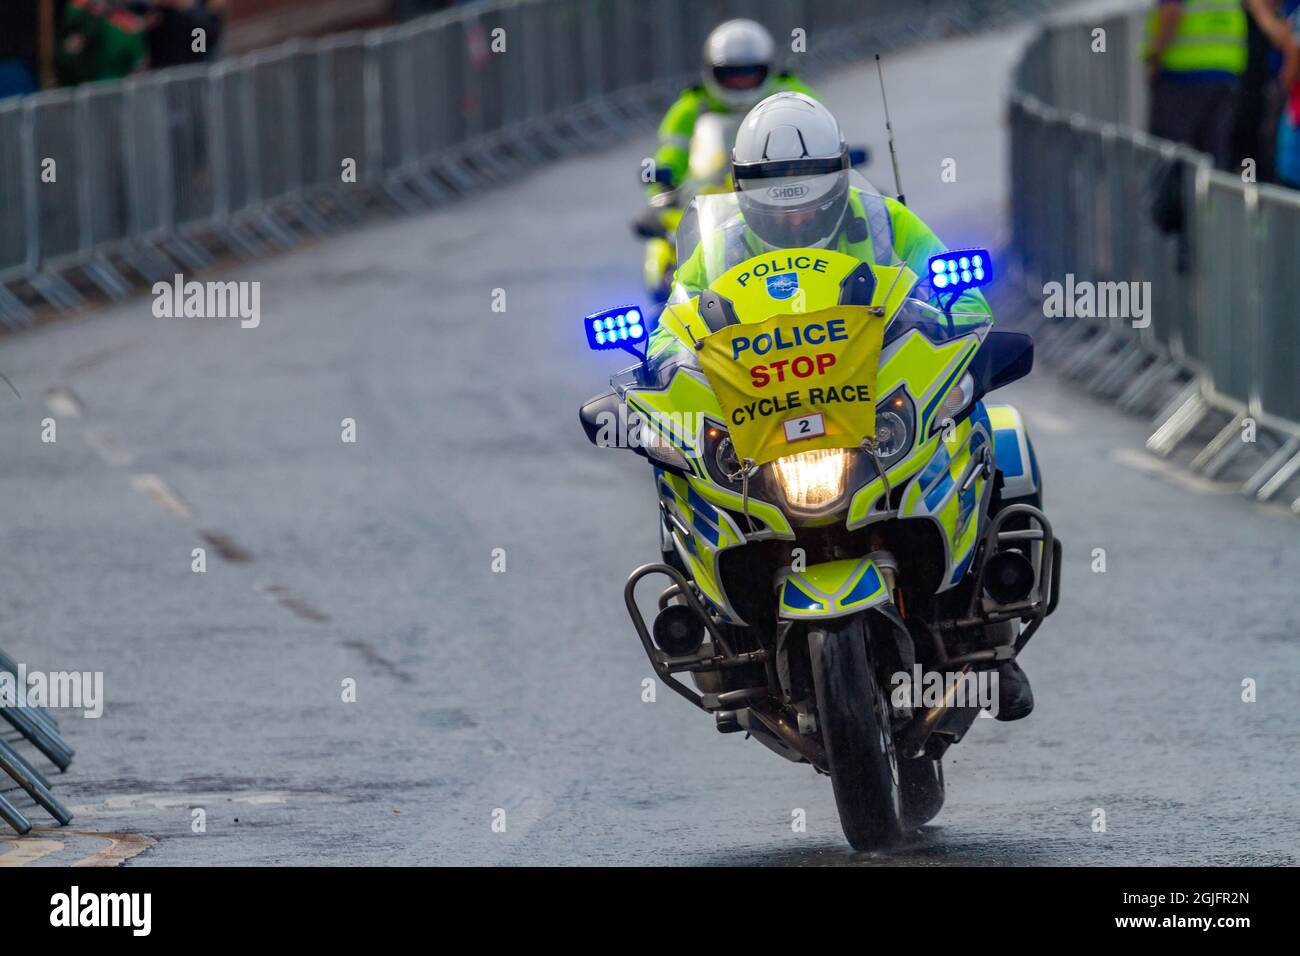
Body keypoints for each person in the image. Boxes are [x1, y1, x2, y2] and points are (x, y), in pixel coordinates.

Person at [651, 91, 1033, 721]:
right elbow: (673, 324)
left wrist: (957, 322)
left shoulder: (885, 224)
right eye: (780, 215)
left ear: (837, 186)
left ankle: (992, 626)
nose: (796, 223)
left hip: (871, 404)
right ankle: (708, 625)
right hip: (765, 420)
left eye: (811, 209)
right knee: (670, 457)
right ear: (746, 195)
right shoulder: (714, 250)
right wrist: (667, 363)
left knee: (992, 423)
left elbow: (957, 289)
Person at [648, 19, 814, 200]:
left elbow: (820, 136)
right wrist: (664, 171)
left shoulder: (792, 97)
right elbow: (673, 149)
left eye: (750, 72)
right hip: (709, 202)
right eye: (730, 74)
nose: (740, 81)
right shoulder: (692, 106)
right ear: (712, 71)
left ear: (767, 69)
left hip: (783, 197)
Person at [1143, 0, 1249, 168]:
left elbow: (1171, 10)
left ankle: (1179, 194)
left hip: (1184, 72)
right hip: (1226, 67)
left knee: (1170, 155)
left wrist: (1154, 56)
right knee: (1214, 153)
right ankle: (1211, 193)